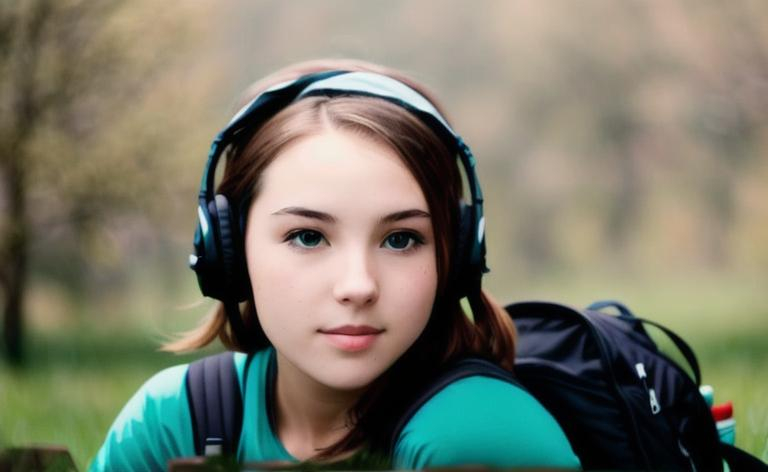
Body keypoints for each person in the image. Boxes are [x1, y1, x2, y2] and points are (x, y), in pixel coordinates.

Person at [89, 59, 580, 471]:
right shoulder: (173, 421)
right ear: (230, 249)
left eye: (401, 239)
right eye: (308, 236)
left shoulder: (472, 439)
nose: (358, 286)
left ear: (454, 259)